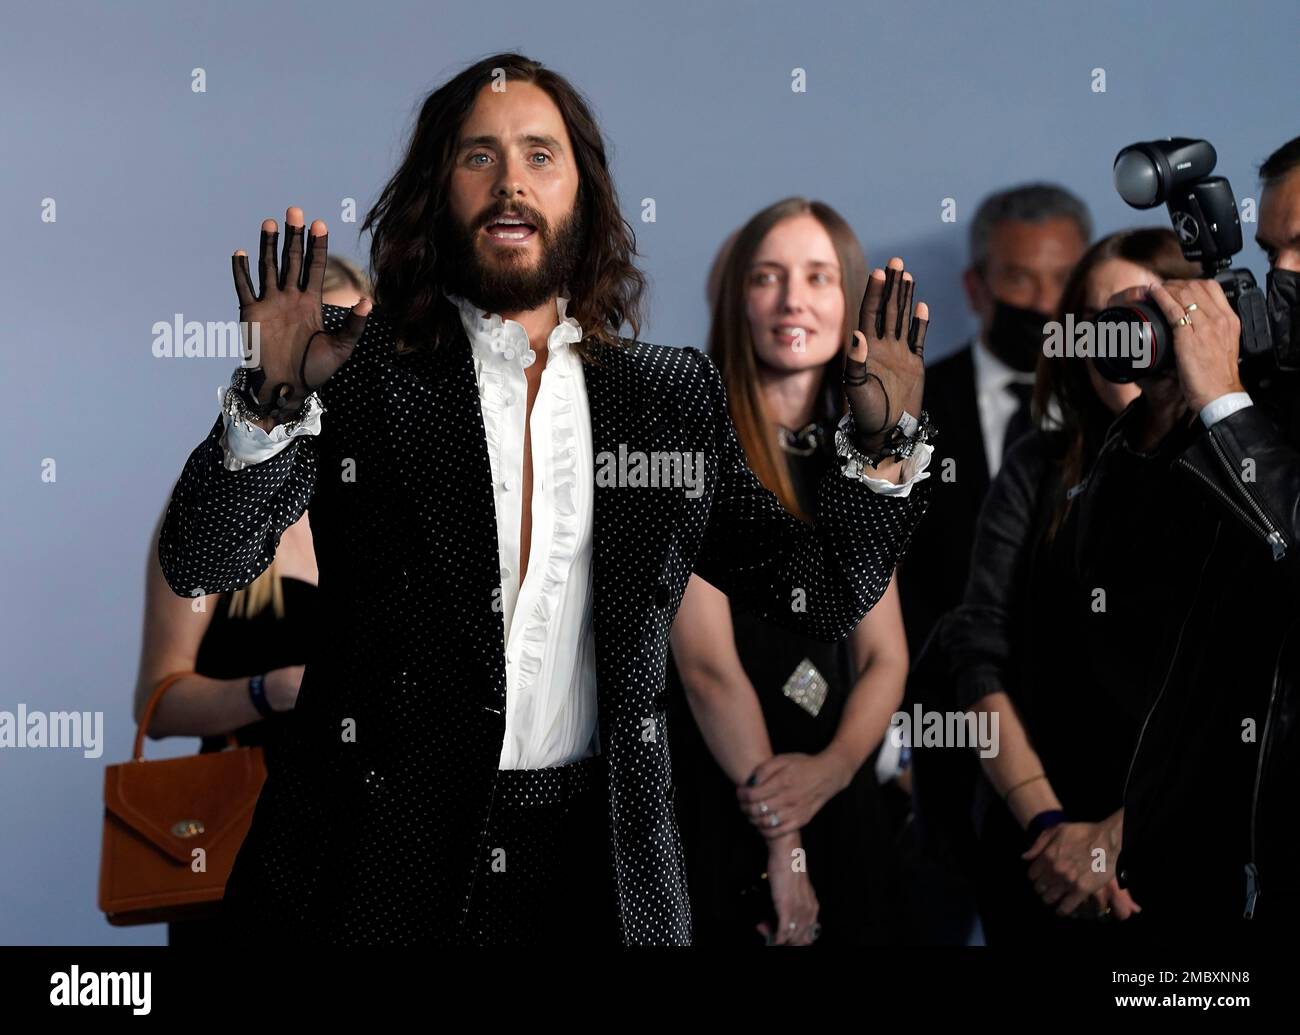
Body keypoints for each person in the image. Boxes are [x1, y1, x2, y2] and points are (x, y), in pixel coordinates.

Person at [155, 52, 936, 946]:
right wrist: (269, 400)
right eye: (477, 156)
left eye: (539, 155)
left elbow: (823, 592)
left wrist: (882, 448)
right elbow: (203, 560)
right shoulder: (358, 370)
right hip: (371, 867)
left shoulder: (667, 397)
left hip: (599, 874)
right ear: (435, 191)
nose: (510, 183)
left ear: (585, 194)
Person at [939, 229, 1197, 945]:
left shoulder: (1246, 474)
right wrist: (1054, 829)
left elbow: (1250, 691)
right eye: (1096, 318)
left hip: (1189, 855)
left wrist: (1117, 837)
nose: (1118, 338)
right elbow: (977, 652)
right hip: (1038, 861)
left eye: (1141, 313)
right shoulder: (1035, 467)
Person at [666, 198, 911, 946]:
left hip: (840, 797)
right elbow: (707, 667)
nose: (793, 299)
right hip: (726, 792)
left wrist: (834, 769)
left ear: (852, 299)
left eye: (818, 276)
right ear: (738, 297)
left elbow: (884, 655)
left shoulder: (860, 454)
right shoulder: (691, 442)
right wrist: (782, 835)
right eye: (768, 277)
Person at [1074, 135, 1300, 944]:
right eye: (1274, 249)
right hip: (1203, 875)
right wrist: (1164, 418)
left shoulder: (1246, 410)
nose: (1282, 278)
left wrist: (1229, 411)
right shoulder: (1262, 393)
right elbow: (1109, 587)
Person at [133, 257, 368, 944]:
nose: (339, 362)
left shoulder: (396, 506)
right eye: (319, 340)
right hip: (244, 857)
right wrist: (274, 689)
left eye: (357, 338)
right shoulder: (218, 517)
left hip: (368, 858)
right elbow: (158, 697)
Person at [898, 183, 1091, 943]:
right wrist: (900, 743)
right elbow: (880, 583)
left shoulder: (1115, 416)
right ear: (977, 285)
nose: (1044, 303)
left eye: (1063, 281)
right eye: (1020, 279)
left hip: (1066, 787)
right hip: (925, 769)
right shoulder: (905, 404)